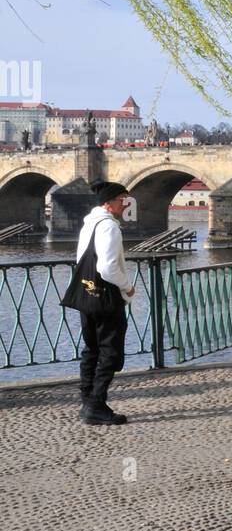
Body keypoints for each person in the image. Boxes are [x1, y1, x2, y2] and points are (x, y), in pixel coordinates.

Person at [63, 181, 136, 424]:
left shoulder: (90, 224)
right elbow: (106, 267)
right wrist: (127, 285)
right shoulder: (110, 228)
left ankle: (88, 401)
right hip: (105, 296)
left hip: (86, 294)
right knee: (110, 352)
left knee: (91, 348)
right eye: (121, 199)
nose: (125, 203)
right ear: (109, 202)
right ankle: (96, 405)